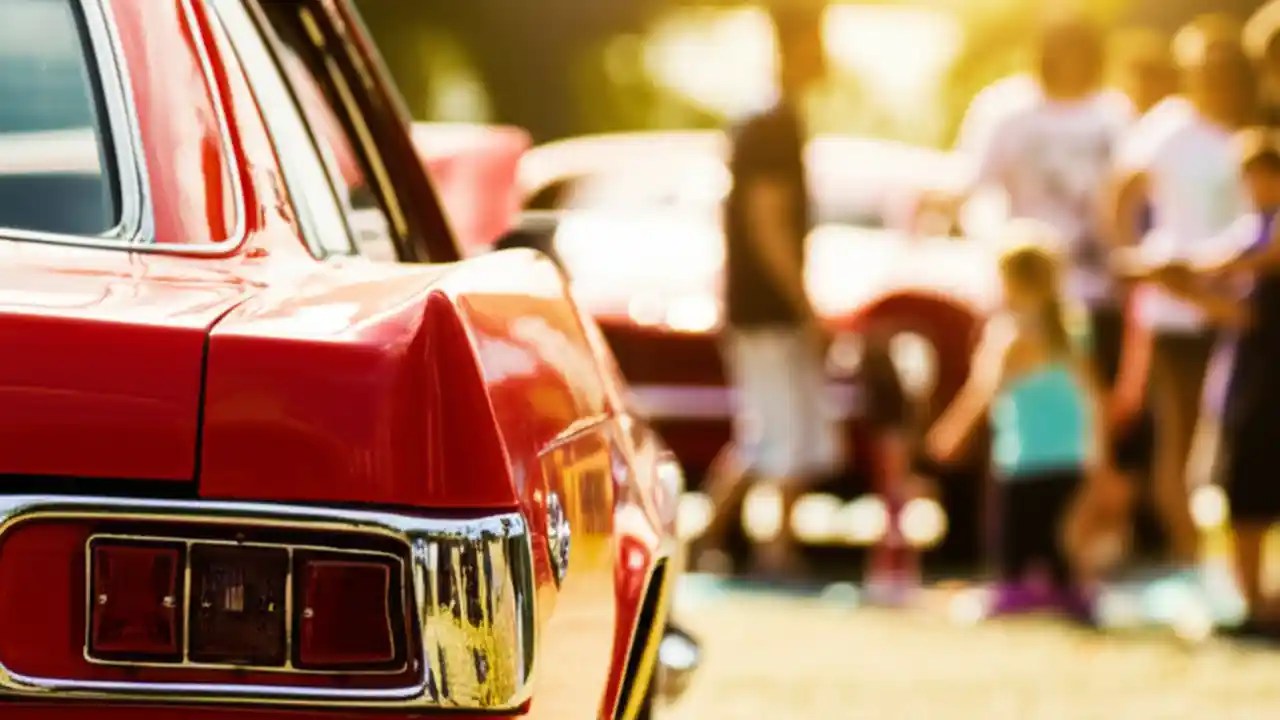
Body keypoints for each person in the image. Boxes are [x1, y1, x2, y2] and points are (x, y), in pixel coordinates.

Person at [697, 7, 841, 576]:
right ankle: (772, 549)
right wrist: (803, 304)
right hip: (766, 308)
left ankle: (719, 534)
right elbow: (767, 221)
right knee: (783, 431)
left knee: (774, 431)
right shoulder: (771, 124)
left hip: (756, 304)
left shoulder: (769, 119)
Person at [1109, 16, 1256, 568]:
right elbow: (1121, 191)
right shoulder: (1169, 127)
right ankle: (1189, 555)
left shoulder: (1245, 127)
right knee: (1182, 431)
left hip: (1238, 297)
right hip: (1177, 300)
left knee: (1232, 433)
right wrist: (1130, 254)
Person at [1128, 128, 1280, 637]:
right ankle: (1255, 604)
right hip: (1250, 380)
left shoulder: (1267, 234)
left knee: (1259, 489)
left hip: (1269, 386)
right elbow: (1234, 303)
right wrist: (1177, 278)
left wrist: (1186, 267)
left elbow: (1247, 262)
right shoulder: (1252, 227)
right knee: (1245, 493)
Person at [927, 226, 1114, 620]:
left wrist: (951, 432)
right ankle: (1066, 592)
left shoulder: (1011, 336)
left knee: (1015, 535)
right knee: (1058, 538)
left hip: (1025, 455)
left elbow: (983, 392)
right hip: (1069, 454)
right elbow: (1094, 397)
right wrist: (1099, 454)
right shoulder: (1072, 329)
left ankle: (1015, 590)